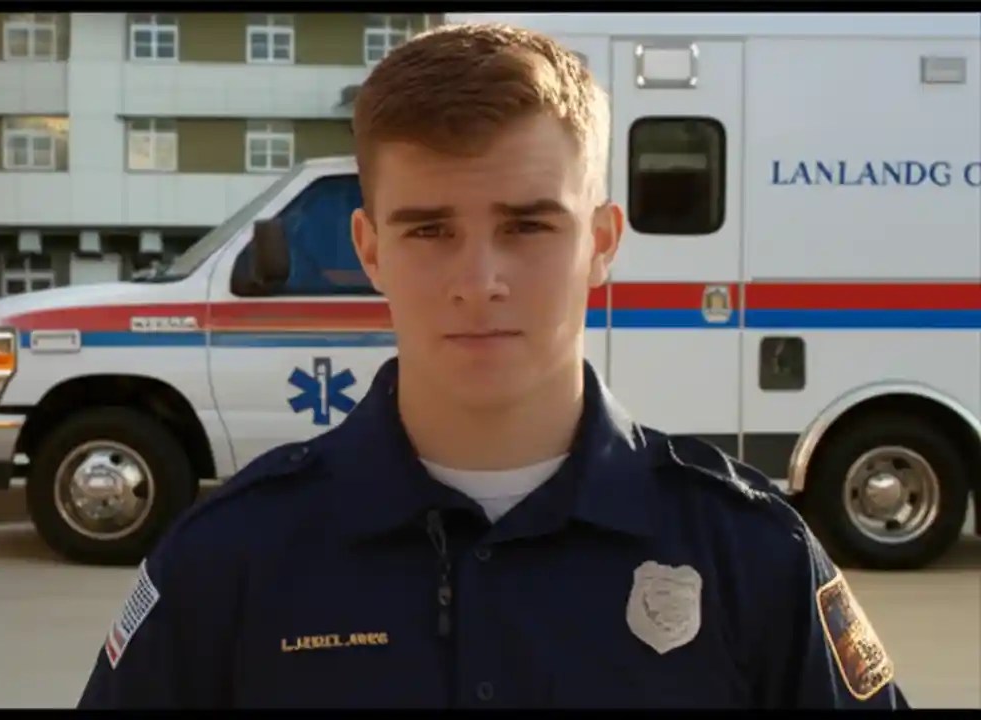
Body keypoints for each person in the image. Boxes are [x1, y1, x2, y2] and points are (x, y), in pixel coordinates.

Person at [76, 21, 910, 709]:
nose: (480, 283)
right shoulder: (230, 563)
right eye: (429, 230)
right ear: (371, 250)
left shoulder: (750, 554)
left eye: (528, 226)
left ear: (603, 243)